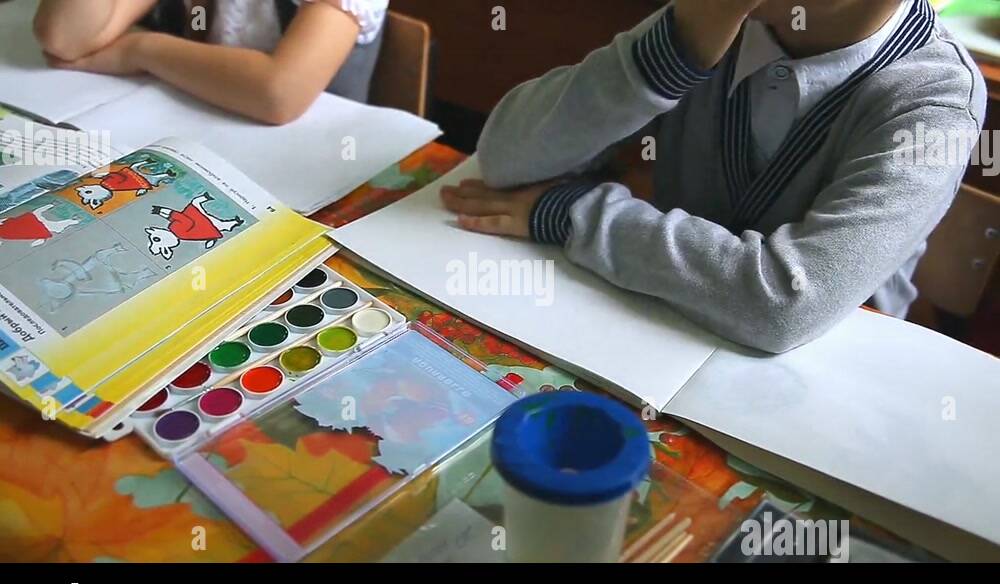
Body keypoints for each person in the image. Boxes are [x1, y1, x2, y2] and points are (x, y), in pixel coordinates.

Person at [441, 0, 987, 353]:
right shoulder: (713, 18)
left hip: (817, 386)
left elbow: (785, 302)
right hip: (666, 330)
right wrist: (677, 49)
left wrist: (576, 215)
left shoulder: (933, 98)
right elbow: (508, 158)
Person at [33, 0, 389, 124]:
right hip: (201, 136)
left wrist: (139, 50)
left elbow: (278, 93)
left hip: (313, 181)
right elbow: (65, 37)